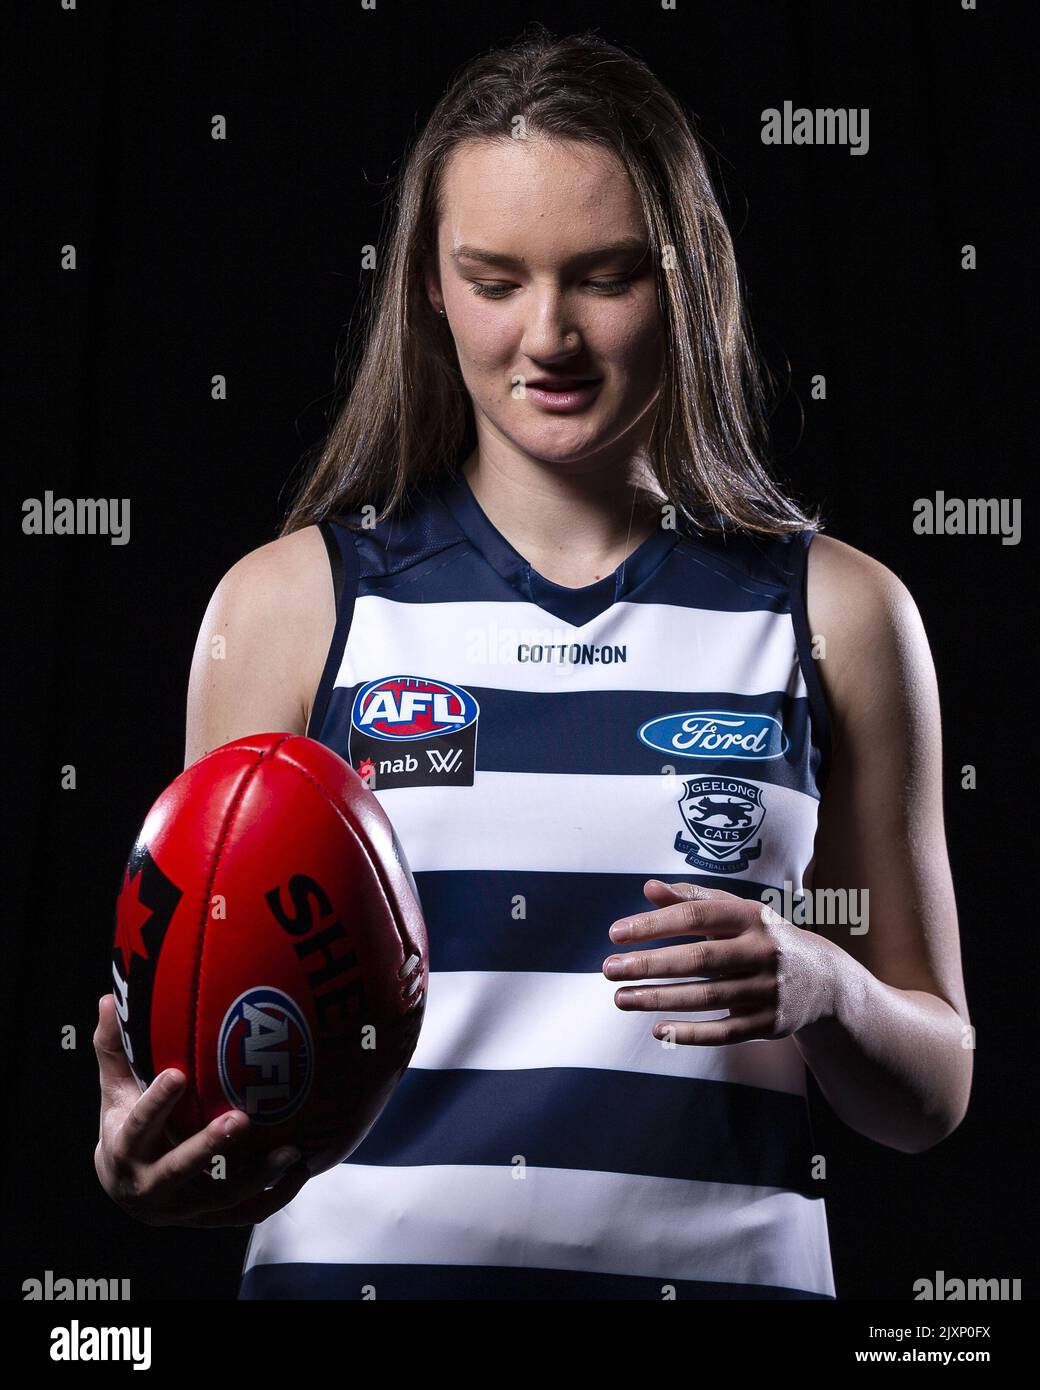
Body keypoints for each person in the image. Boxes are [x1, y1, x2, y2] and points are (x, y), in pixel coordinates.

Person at [94, 25, 971, 1299]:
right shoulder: (287, 607)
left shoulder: (839, 611)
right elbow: (222, 1059)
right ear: (428, 290)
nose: (546, 333)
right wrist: (160, 1159)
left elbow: (931, 1089)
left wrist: (826, 984)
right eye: (493, 278)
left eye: (602, 275)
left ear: (684, 279)